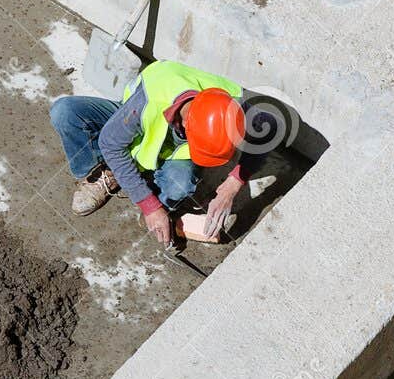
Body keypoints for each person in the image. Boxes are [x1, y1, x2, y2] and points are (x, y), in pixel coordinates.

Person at [48, 59, 263, 245]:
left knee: (179, 185)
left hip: (172, 152)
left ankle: (159, 205)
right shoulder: (150, 100)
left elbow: (268, 129)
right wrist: (149, 206)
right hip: (132, 119)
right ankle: (106, 173)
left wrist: (231, 186)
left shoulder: (233, 102)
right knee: (65, 112)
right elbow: (110, 144)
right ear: (186, 124)